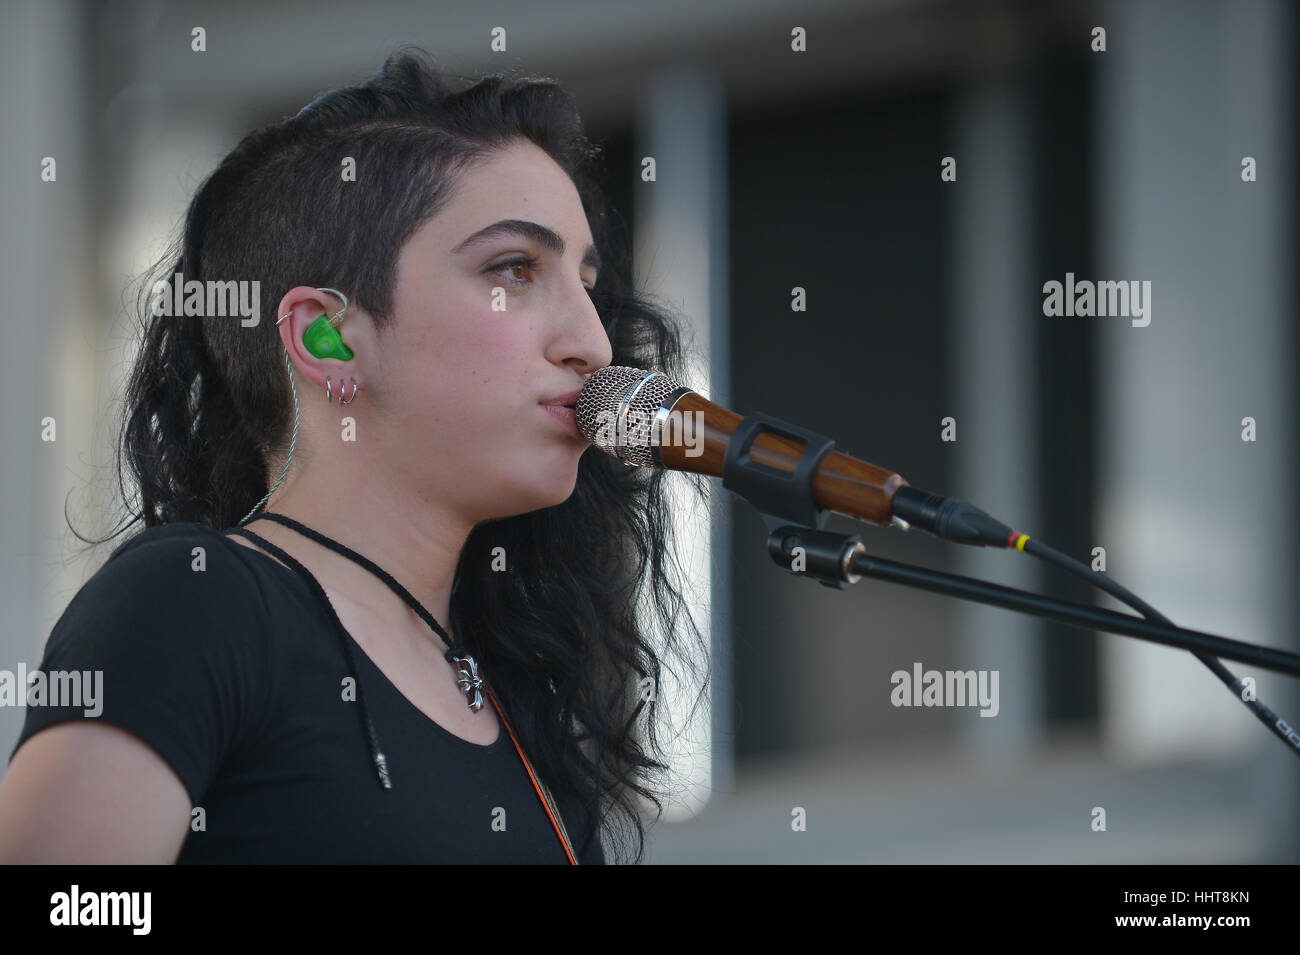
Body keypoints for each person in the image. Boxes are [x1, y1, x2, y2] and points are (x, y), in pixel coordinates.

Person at [0, 47, 709, 865]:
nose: (592, 340)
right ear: (327, 338)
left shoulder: (522, 710)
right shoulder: (191, 604)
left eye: (585, 283)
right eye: (514, 268)